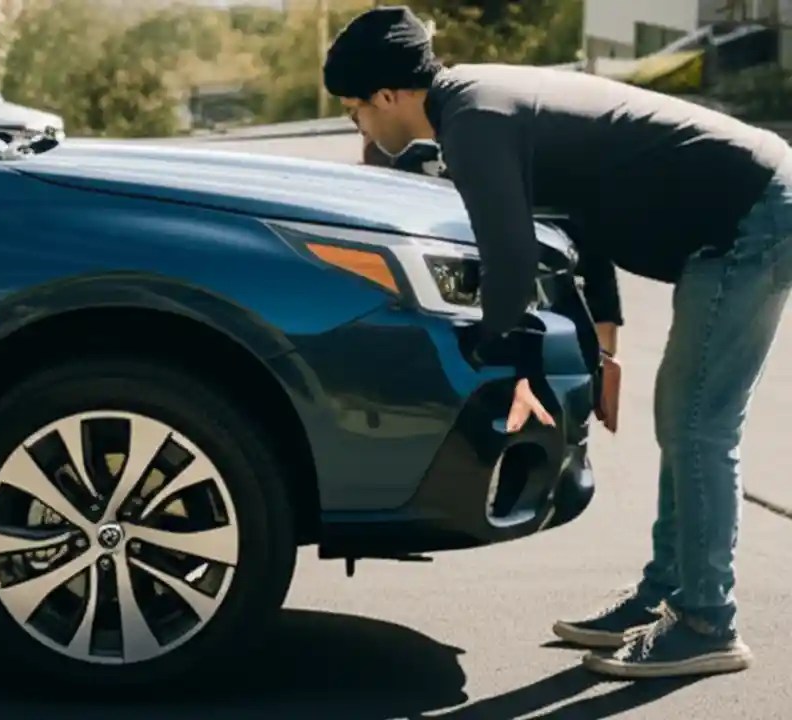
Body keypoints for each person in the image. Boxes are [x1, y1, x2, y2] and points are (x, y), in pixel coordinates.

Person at [323, 5, 792, 679]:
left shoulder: (473, 121)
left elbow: (509, 259)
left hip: (751, 216)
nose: (357, 124)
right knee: (682, 419)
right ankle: (668, 596)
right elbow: (574, 226)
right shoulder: (475, 100)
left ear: (389, 95)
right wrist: (604, 346)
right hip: (743, 213)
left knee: (697, 425)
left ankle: (706, 623)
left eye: (355, 109)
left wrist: (493, 355)